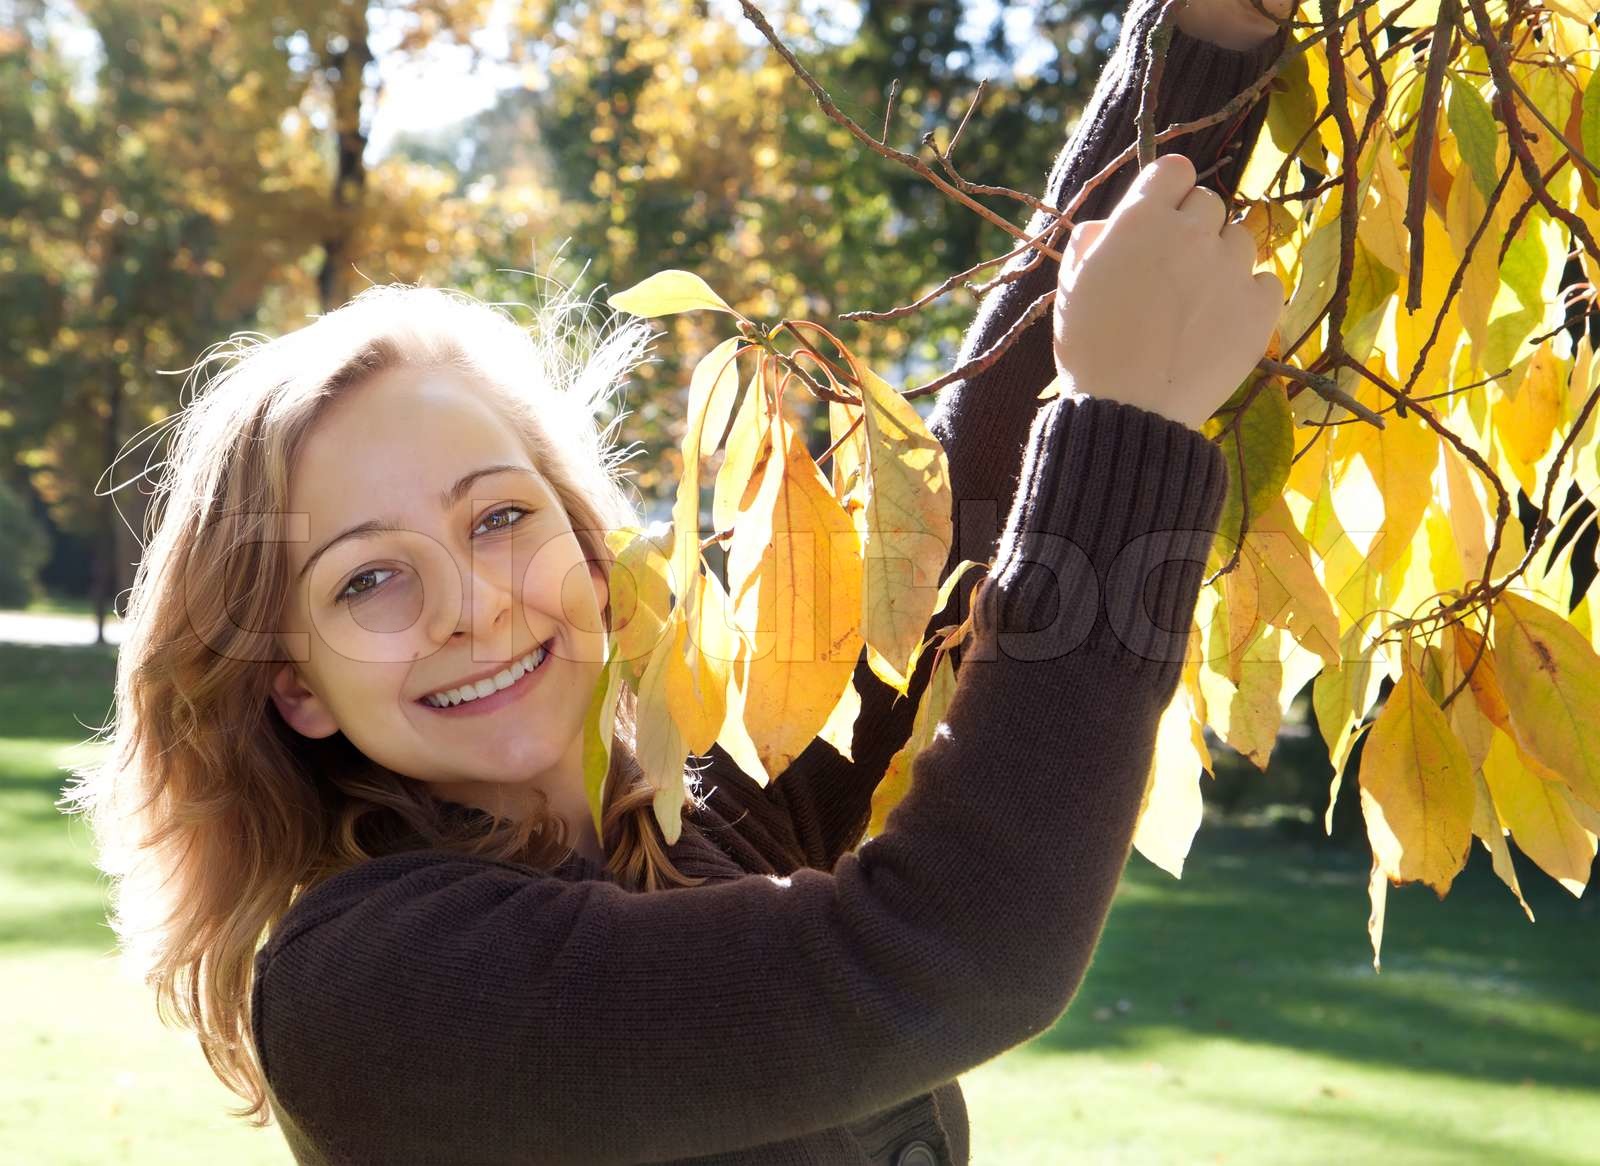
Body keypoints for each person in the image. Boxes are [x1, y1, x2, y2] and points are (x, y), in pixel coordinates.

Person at [62, 0, 1292, 1161]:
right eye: (369, 578)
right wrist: (1124, 427)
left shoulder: (704, 812)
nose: (473, 603)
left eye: (497, 515)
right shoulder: (375, 983)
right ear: (296, 688)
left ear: (593, 554)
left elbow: (939, 559)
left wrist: (1199, 47)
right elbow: (946, 950)